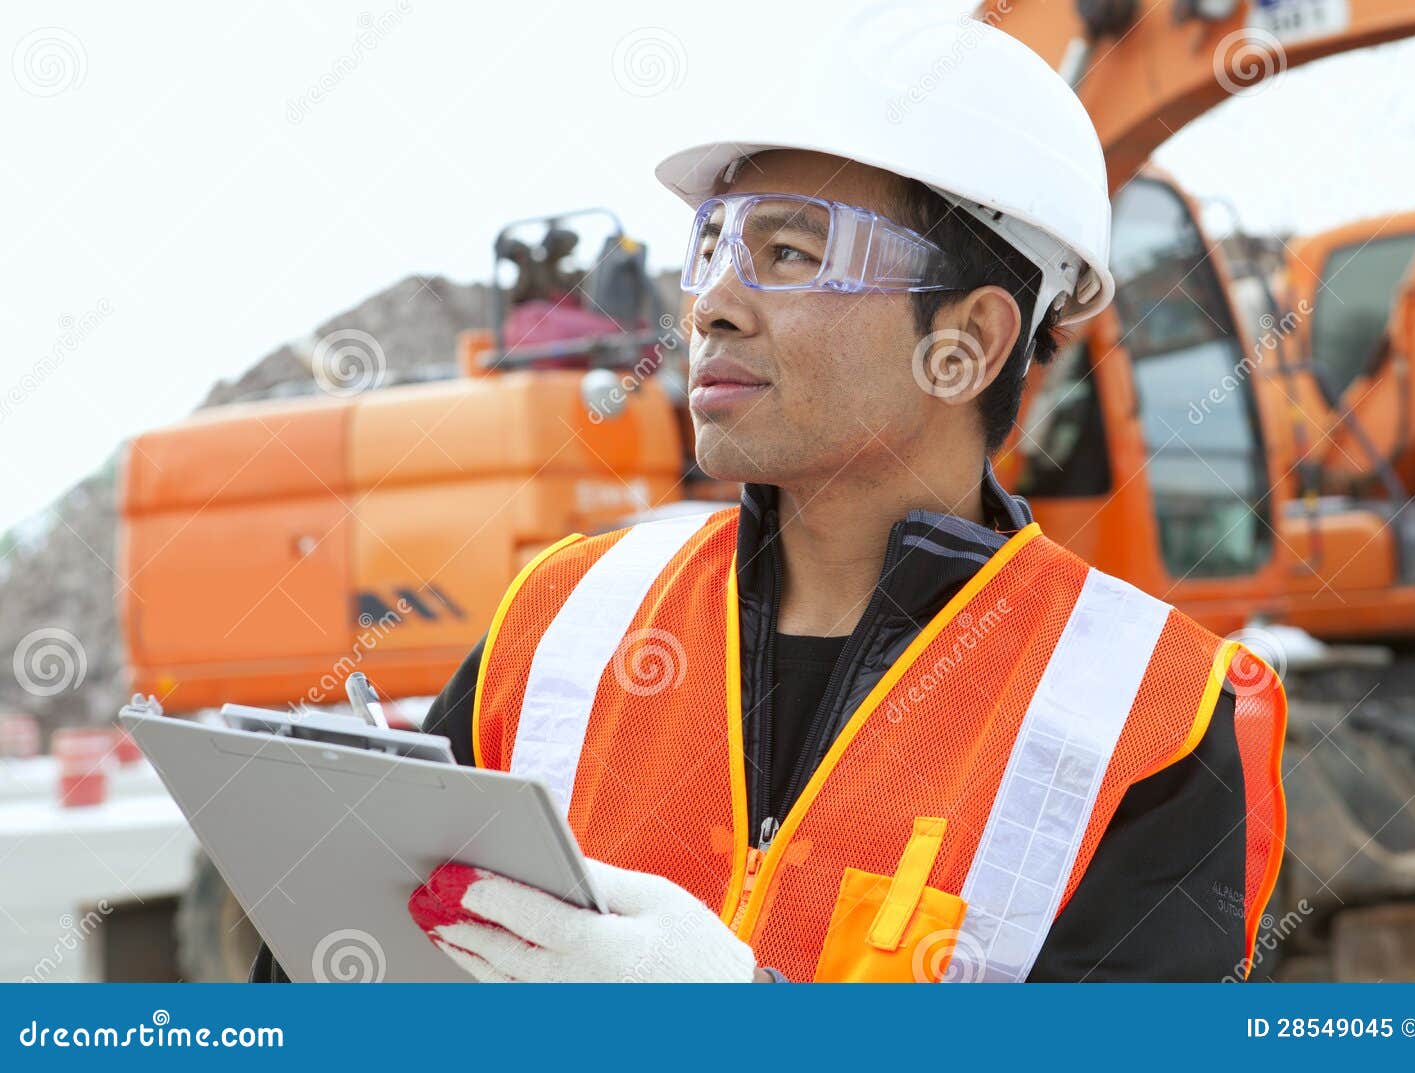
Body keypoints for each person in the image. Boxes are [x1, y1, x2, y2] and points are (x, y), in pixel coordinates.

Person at [252, 9, 1285, 984]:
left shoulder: (1156, 718)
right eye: (713, 245)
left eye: (792, 252)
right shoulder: (563, 619)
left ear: (964, 343)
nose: (712, 304)